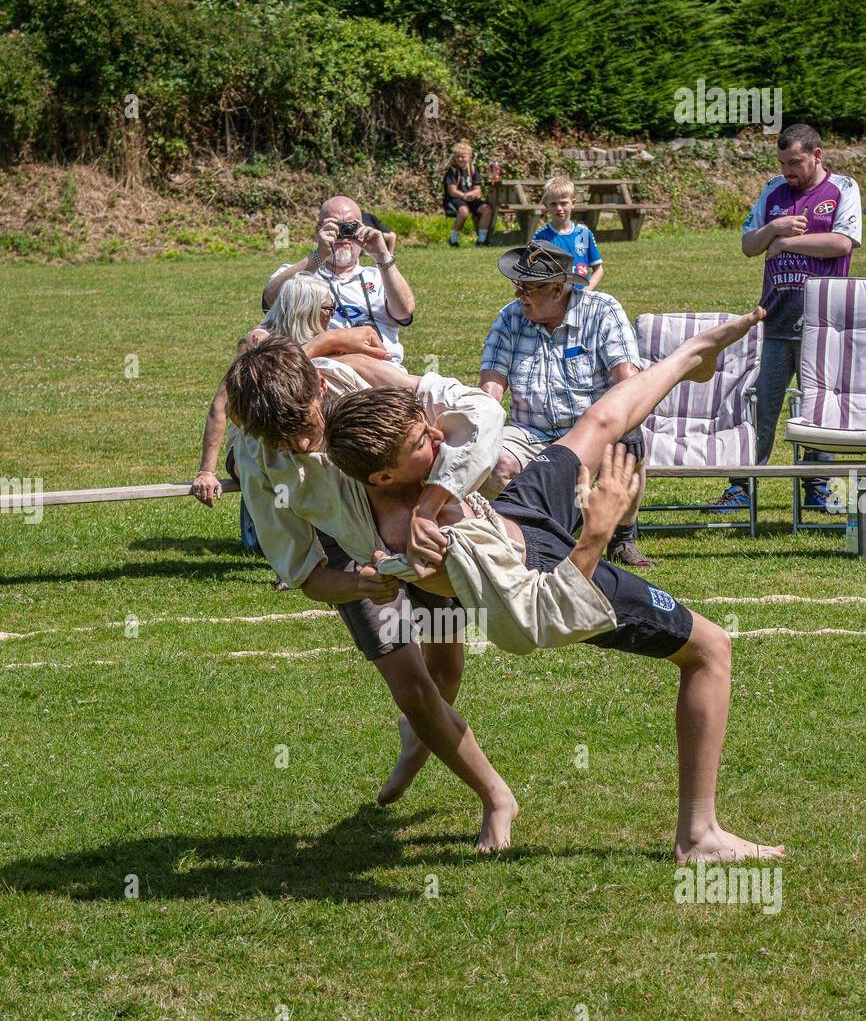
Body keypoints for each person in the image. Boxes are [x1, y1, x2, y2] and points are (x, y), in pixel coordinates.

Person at [322, 308, 785, 864]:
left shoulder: (387, 483)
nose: (439, 439)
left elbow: (468, 414)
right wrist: (597, 530)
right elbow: (535, 618)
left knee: (595, 425)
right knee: (710, 648)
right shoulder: (426, 543)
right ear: (383, 477)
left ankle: (690, 356)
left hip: (517, 514)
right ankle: (699, 835)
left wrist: (331, 349)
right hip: (548, 570)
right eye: (422, 442)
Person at [221, 336, 518, 853]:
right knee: (412, 687)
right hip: (347, 555)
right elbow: (303, 569)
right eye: (283, 441)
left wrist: (432, 500)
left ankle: (419, 738)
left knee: (446, 670)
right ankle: (496, 797)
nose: (302, 447)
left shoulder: (361, 376)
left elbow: (483, 412)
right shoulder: (258, 458)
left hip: (416, 530)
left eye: (307, 427)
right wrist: (359, 583)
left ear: (318, 383)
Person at [191, 274, 389, 588]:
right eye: (328, 307)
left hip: (303, 437)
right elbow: (222, 406)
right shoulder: (259, 341)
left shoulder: (327, 335)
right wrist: (206, 470)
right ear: (306, 308)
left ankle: (356, 544)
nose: (333, 313)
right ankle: (295, 559)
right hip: (253, 441)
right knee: (283, 468)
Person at [706, 123, 862, 514]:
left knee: (820, 406)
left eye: (796, 163)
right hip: (774, 318)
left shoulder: (843, 189)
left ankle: (817, 485)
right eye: (783, 163)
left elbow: (842, 243)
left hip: (825, 324)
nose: (789, 170)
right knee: (759, 403)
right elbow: (748, 245)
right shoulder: (773, 190)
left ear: (817, 155)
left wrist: (786, 243)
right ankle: (742, 486)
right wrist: (773, 228)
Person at [480, 240, 652, 568]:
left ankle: (622, 537)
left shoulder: (602, 310)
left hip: (592, 433)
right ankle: (535, 536)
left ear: (558, 290)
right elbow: (491, 385)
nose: (519, 295)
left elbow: (626, 375)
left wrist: (625, 420)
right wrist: (479, 428)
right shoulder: (510, 318)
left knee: (630, 445)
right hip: (531, 433)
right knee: (493, 460)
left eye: (528, 288)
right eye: (517, 285)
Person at [260, 195, 415, 367]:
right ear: (318, 229)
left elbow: (404, 311)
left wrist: (383, 255)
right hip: (326, 368)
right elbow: (270, 299)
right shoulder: (300, 274)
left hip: (385, 366)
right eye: (334, 227)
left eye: (350, 226)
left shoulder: (379, 276)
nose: (342, 235)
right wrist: (319, 255)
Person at [533, 175, 603, 291]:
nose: (559, 208)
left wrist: (586, 292)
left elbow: (598, 269)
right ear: (546, 206)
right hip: (554, 300)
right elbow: (531, 271)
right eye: (553, 204)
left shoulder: (584, 234)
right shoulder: (541, 238)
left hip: (581, 299)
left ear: (573, 203)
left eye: (564, 203)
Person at [443, 140, 493, 248]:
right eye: (458, 157)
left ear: (469, 157)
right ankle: (453, 240)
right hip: (455, 199)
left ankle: (481, 240)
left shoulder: (473, 170)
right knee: (464, 211)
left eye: (463, 156)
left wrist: (473, 194)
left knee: (487, 209)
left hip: (470, 198)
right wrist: (464, 196)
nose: (460, 159)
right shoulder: (452, 171)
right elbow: (452, 191)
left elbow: (478, 189)